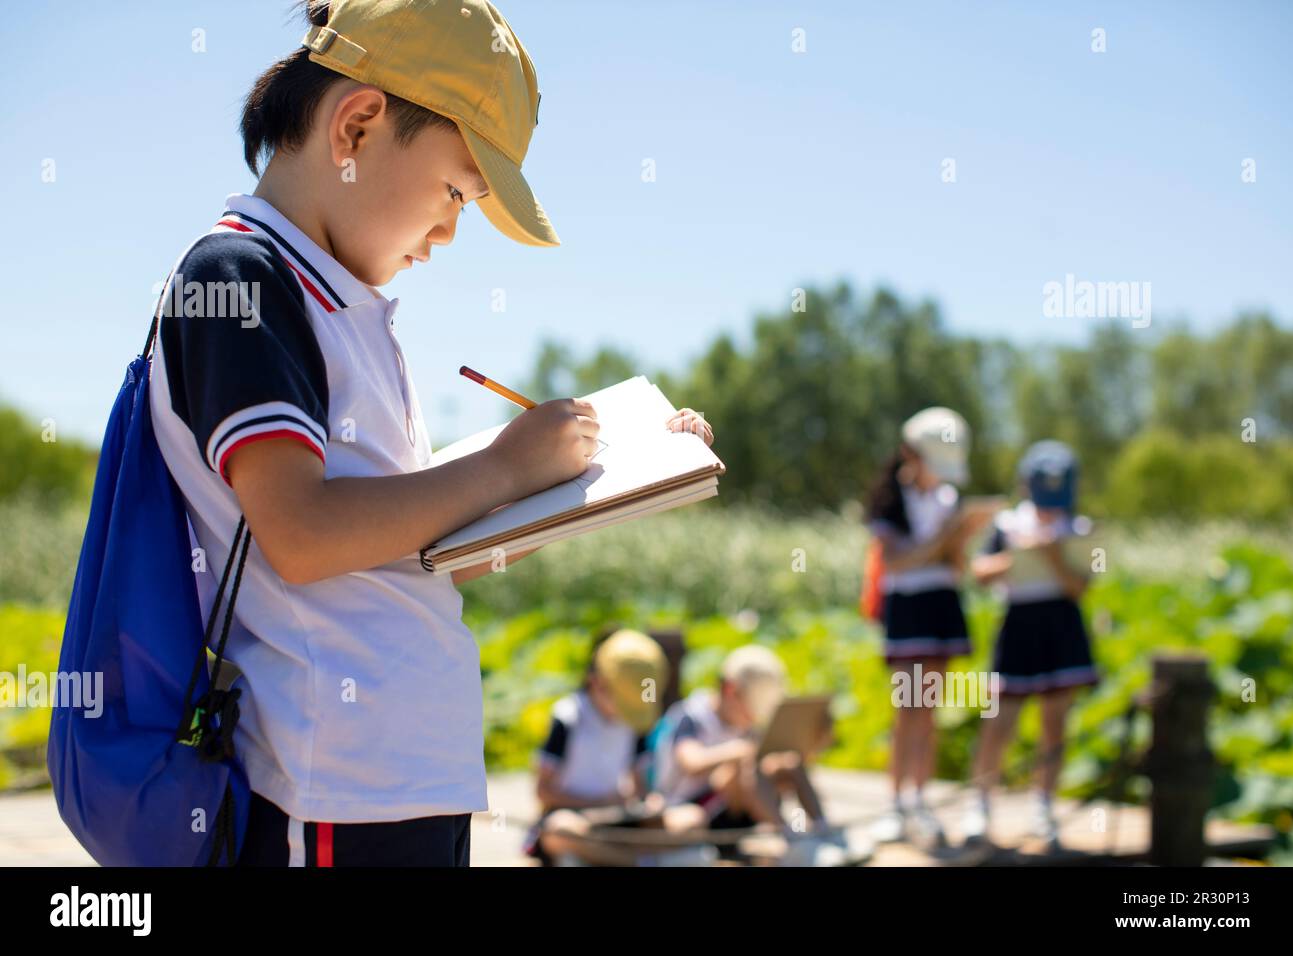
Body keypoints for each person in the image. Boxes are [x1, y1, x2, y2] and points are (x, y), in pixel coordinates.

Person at [149, 0, 714, 866]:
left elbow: (408, 552)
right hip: (333, 785)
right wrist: (498, 466)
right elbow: (301, 535)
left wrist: (608, 485)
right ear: (358, 126)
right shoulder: (240, 276)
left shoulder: (341, 304)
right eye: (456, 191)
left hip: (397, 779)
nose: (450, 232)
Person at [963, 441, 1098, 847]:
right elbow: (980, 572)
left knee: (1054, 722)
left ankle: (1044, 806)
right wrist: (1018, 555)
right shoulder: (1007, 526)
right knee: (999, 720)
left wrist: (1053, 556)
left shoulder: (1079, 530)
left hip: (1061, 624)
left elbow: (1080, 587)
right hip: (1018, 625)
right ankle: (981, 804)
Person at [865, 407, 990, 844]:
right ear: (909, 454)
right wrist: (940, 539)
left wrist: (960, 538)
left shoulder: (949, 500)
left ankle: (919, 800)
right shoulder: (886, 503)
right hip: (906, 609)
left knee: (928, 710)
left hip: (940, 606)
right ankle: (896, 804)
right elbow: (895, 560)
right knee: (907, 708)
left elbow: (956, 568)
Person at [652, 645, 829, 842]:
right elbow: (691, 762)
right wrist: (739, 751)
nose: (754, 717)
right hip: (691, 806)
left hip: (733, 809)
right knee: (746, 764)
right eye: (751, 707)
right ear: (730, 690)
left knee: (788, 762)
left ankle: (823, 828)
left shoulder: (744, 723)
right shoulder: (692, 716)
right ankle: (788, 836)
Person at [524, 630, 668, 866]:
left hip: (617, 818)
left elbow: (639, 785)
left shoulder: (632, 724)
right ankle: (636, 861)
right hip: (574, 817)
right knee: (562, 830)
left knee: (690, 819)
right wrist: (599, 803)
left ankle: (626, 856)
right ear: (598, 683)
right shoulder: (569, 716)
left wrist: (650, 802)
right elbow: (543, 791)